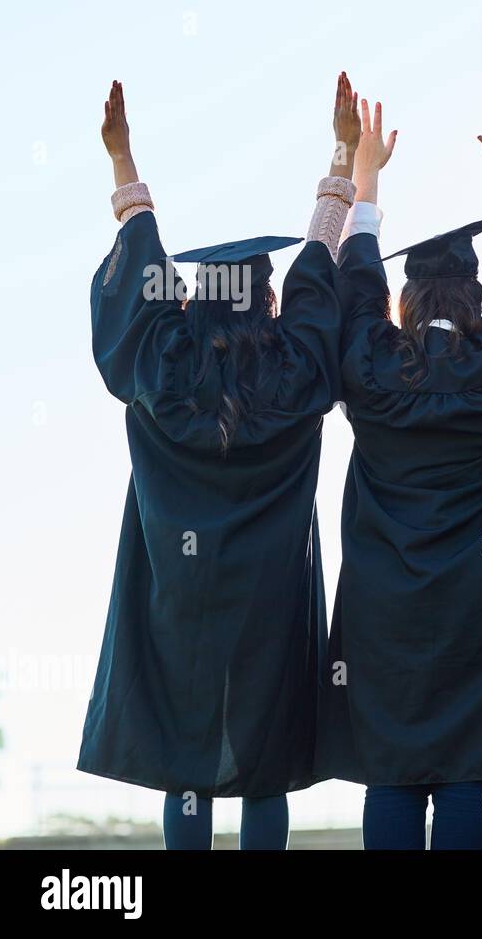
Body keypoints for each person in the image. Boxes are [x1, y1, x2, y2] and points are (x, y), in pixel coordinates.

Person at [80, 75, 357, 849]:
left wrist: (124, 162)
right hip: (271, 591)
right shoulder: (297, 366)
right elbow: (317, 264)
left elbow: (140, 272)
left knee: (189, 757)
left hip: (180, 587)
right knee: (264, 763)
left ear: (196, 295)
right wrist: (342, 157)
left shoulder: (165, 364)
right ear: (266, 298)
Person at [313, 97, 482, 850]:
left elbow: (352, 286)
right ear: (476, 301)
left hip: (387, 609)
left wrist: (365, 180)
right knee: (467, 772)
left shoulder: (374, 366)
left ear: (405, 301)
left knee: (391, 771)